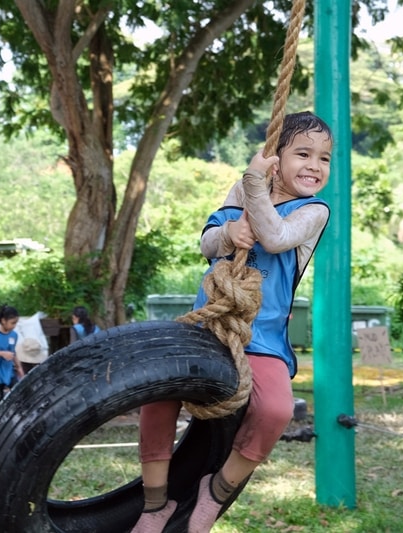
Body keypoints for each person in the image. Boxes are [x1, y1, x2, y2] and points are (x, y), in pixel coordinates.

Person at [131, 111, 333, 533]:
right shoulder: (243, 187)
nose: (315, 166)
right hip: (209, 325)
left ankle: (216, 490)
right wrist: (229, 236)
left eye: (324, 158)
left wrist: (256, 184)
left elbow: (276, 237)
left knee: (276, 410)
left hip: (259, 336)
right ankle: (155, 503)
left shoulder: (315, 210)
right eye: (303, 154)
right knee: (158, 393)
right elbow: (208, 242)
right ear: (274, 157)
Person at [0, 305, 23, 401]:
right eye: (12, 323)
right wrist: (2, 353)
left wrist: (19, 368)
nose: (14, 326)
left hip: (9, 370)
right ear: (3, 321)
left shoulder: (14, 335)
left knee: (18, 392)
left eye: (16, 323)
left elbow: (13, 351)